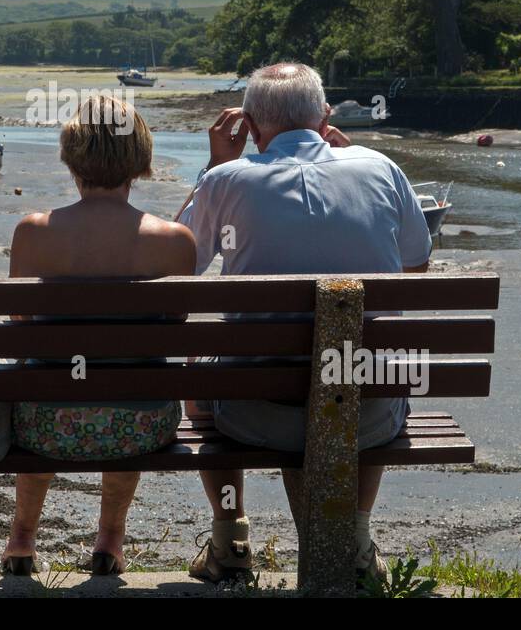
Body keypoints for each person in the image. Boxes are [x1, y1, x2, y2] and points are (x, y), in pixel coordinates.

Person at [177, 63, 432, 588]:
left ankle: (229, 539)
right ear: (327, 115)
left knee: (197, 364)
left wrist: (212, 166)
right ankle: (357, 538)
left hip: (258, 414)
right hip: (368, 416)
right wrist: (351, 158)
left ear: (248, 123)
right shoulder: (380, 168)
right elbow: (417, 265)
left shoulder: (227, 181)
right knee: (369, 363)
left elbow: (179, 267)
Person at [3, 95, 197, 576]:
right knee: (132, 378)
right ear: (141, 161)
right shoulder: (175, 241)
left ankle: (22, 538)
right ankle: (110, 538)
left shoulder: (33, 232)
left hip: (46, 425)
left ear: (72, 159)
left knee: (41, 383)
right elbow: (175, 325)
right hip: (141, 426)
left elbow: (19, 326)